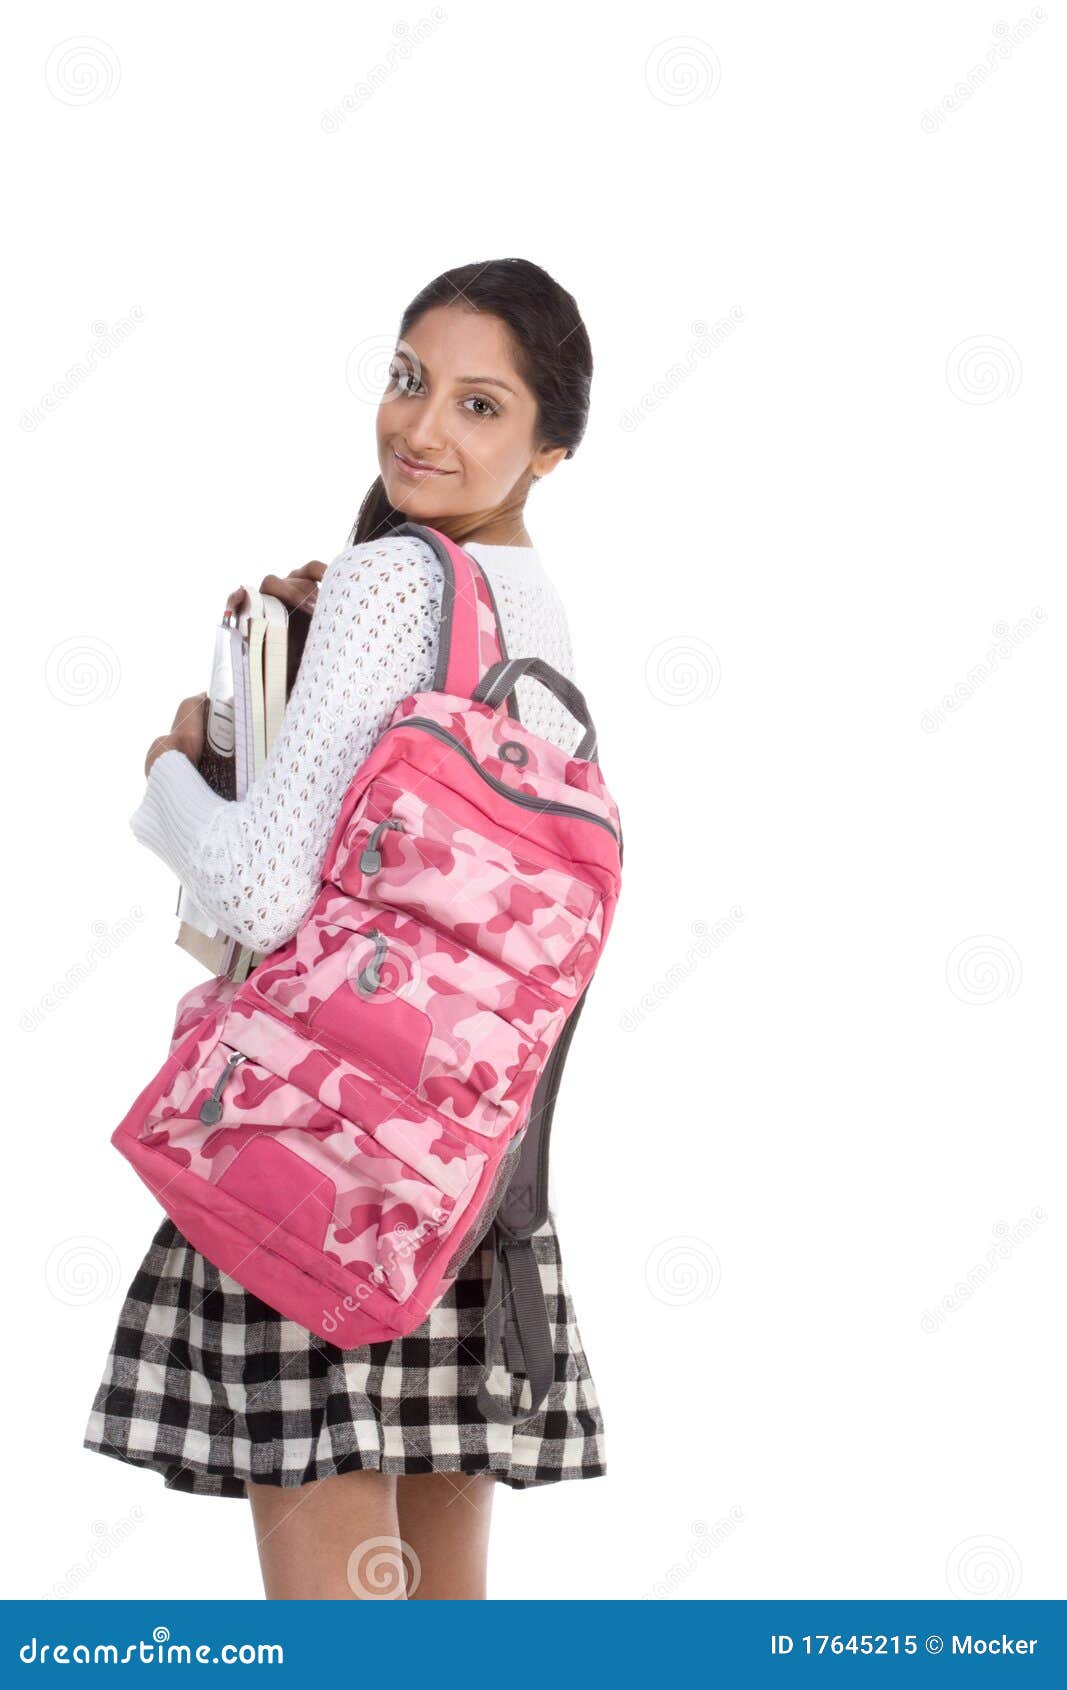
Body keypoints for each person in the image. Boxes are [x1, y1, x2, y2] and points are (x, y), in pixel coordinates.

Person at [83, 258, 606, 1600]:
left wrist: (170, 770)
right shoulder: (533, 605)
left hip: (313, 1153)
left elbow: (262, 896)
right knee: (442, 1634)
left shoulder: (386, 580)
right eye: (407, 379)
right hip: (466, 1180)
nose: (421, 427)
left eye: (479, 405)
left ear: (551, 447)